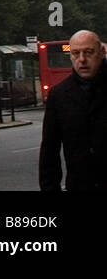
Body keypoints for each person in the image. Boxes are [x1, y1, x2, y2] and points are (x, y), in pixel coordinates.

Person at [39, 29, 107, 190]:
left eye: (89, 52)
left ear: (102, 52)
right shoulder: (59, 95)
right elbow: (49, 150)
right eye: (76, 53)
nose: (82, 59)